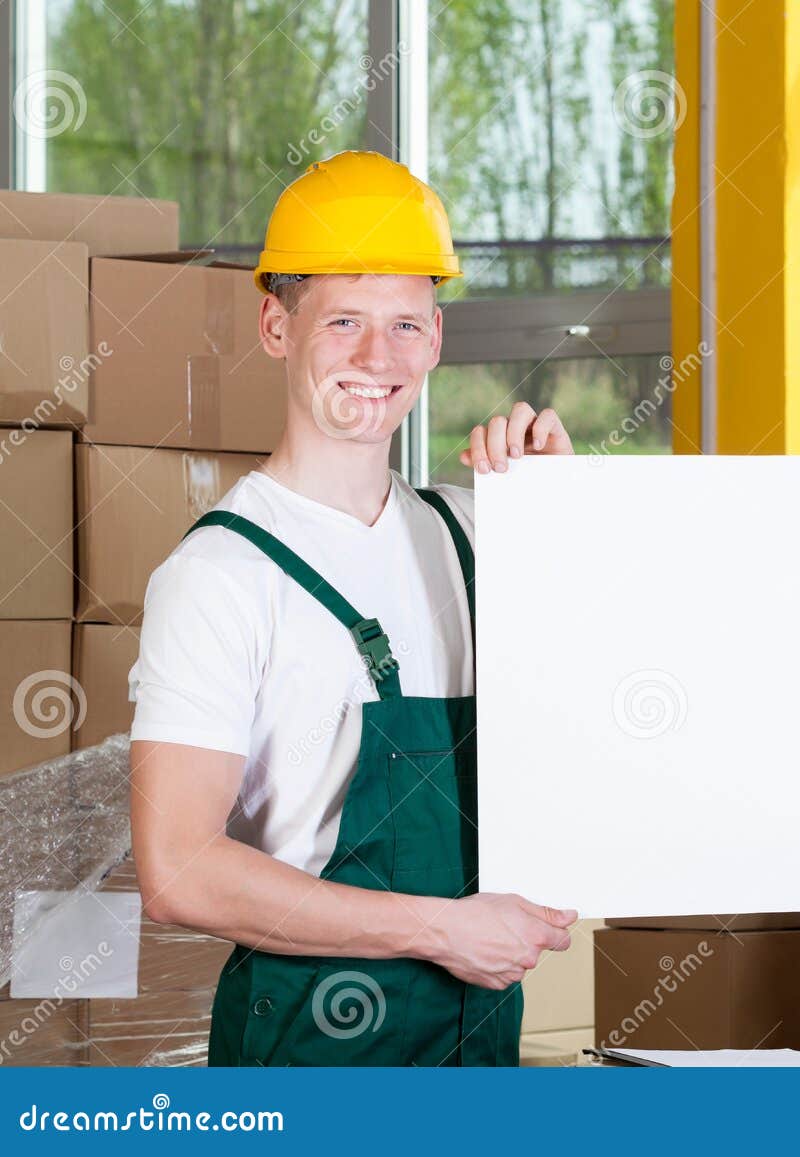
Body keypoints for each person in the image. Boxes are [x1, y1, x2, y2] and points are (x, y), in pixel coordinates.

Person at [128, 151, 574, 1066]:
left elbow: (627, 704)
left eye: (406, 323)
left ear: (438, 338)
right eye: (344, 321)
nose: (379, 358)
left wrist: (567, 515)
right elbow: (176, 870)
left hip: (478, 1046)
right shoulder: (220, 575)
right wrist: (443, 931)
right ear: (275, 326)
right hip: (310, 1058)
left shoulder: (476, 533)